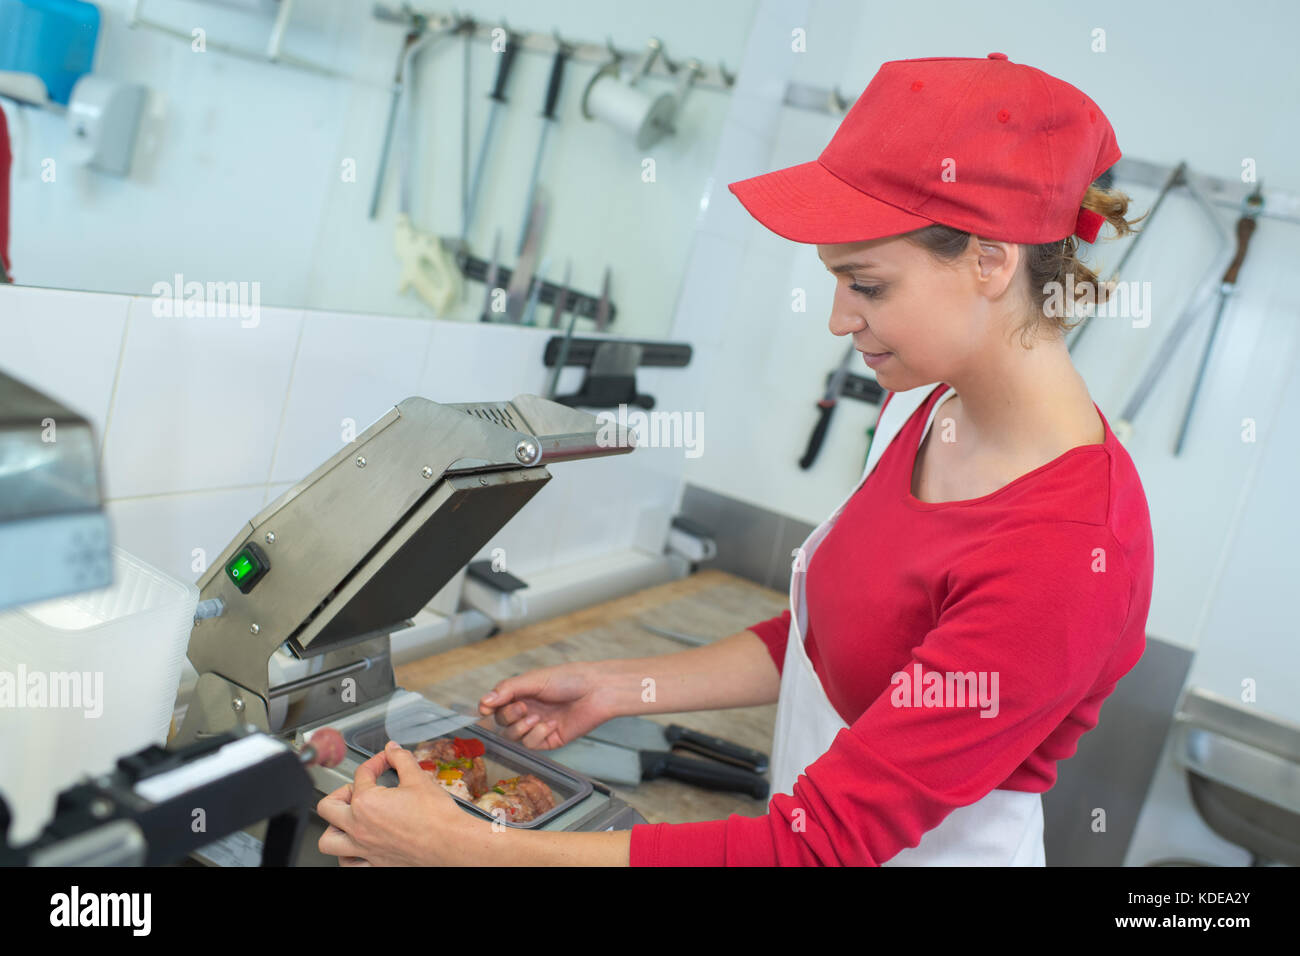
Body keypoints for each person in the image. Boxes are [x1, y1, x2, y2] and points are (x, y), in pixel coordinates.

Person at [317, 52, 1154, 866]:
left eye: (866, 285)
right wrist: (623, 686)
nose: (838, 319)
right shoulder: (934, 405)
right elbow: (837, 637)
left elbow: (817, 847)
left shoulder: (1066, 551)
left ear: (991, 259)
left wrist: (469, 850)